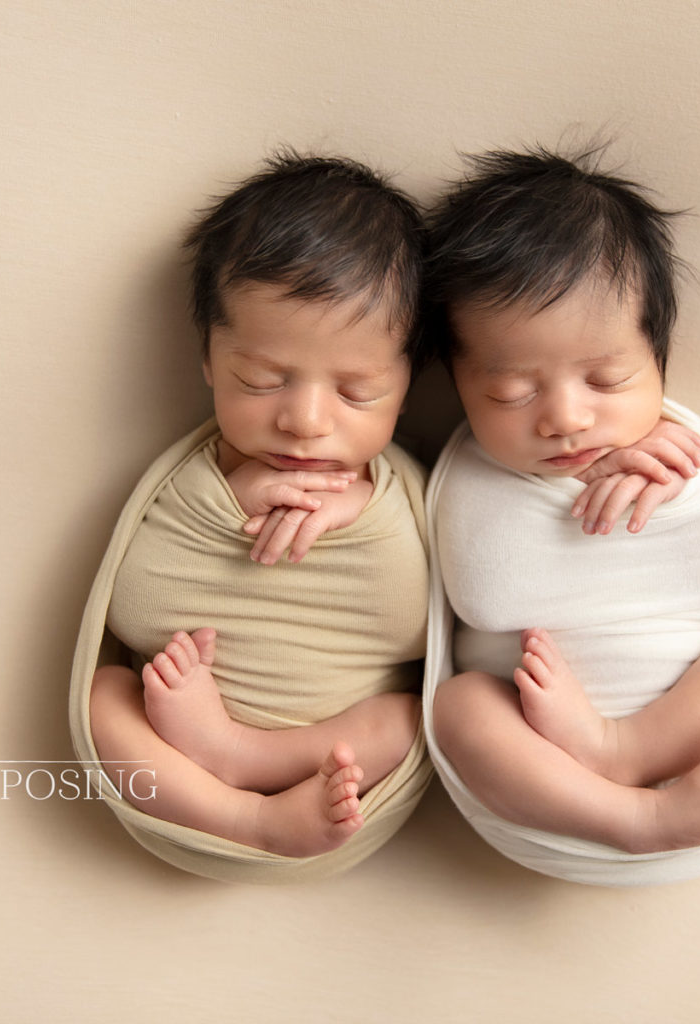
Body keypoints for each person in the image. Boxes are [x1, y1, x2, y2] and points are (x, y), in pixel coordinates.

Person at [424, 148, 700, 856]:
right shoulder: (466, 475)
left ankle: (626, 752)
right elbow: (481, 594)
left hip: (693, 730)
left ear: (659, 358)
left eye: (605, 380)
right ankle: (638, 820)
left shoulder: (681, 456)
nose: (565, 418)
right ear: (457, 383)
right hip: (538, 754)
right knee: (460, 711)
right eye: (511, 392)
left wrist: (680, 477)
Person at [87, 153, 428, 859]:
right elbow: (134, 610)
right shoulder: (191, 480)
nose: (305, 420)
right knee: (103, 700)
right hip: (176, 730)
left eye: (356, 391)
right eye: (262, 379)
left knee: (419, 718)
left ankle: (244, 759)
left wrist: (364, 512)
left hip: (327, 745)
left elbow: (422, 630)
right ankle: (244, 817)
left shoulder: (404, 496)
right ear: (210, 359)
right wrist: (221, 508)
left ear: (409, 382)